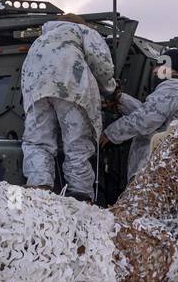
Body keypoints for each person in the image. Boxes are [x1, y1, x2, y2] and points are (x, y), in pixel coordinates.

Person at [20, 13, 117, 201]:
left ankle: (39, 186)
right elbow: (102, 64)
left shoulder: (41, 40)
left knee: (37, 141)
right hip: (70, 87)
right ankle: (79, 195)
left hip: (36, 91)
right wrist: (110, 89)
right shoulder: (82, 30)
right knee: (76, 142)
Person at [101, 47, 178, 180]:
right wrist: (121, 100)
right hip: (157, 166)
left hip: (153, 167)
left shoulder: (173, 87)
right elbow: (151, 113)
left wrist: (111, 133)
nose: (155, 70)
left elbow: (146, 118)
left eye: (160, 66)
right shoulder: (177, 89)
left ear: (171, 69)